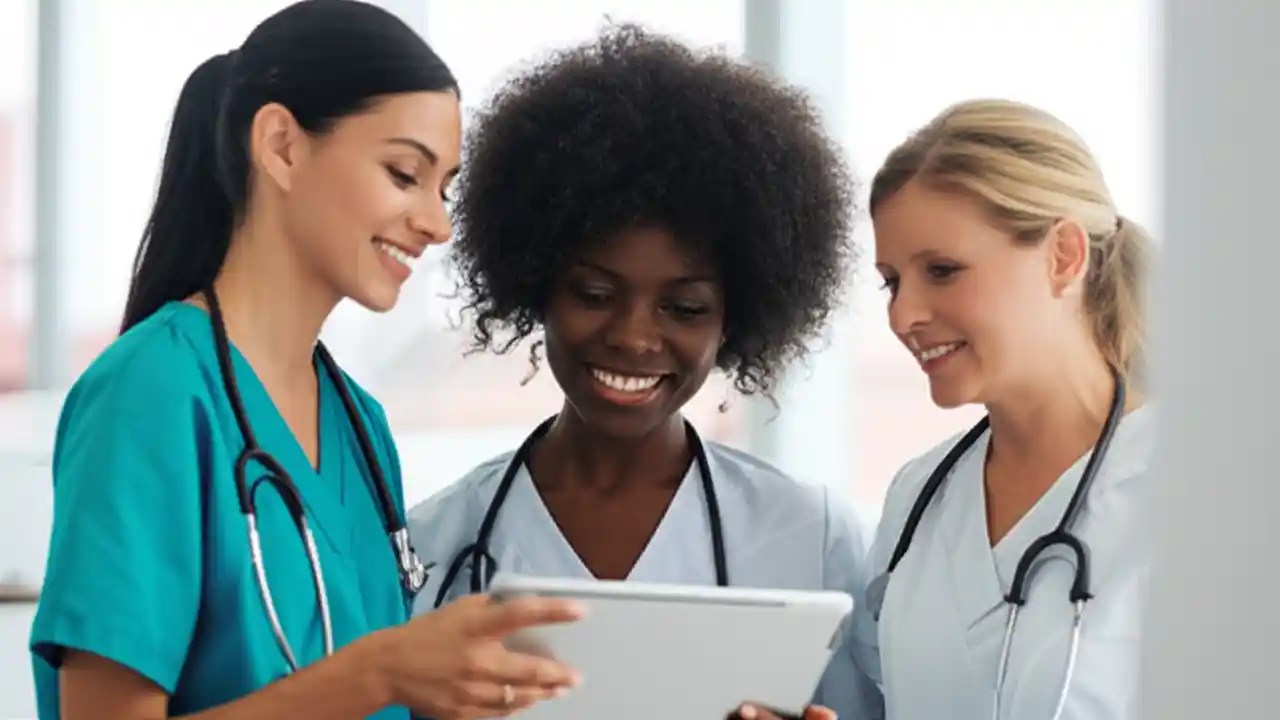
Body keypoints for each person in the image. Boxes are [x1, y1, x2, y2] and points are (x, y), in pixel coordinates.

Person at [26, 2, 584, 719]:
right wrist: (380, 671)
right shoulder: (153, 394)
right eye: (403, 172)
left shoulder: (360, 424)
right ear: (283, 145)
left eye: (444, 187)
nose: (438, 223)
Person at [403, 25, 881, 720]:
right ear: (536, 286)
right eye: (593, 295)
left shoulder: (810, 534)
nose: (633, 337)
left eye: (683, 307)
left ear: (734, 318)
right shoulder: (436, 541)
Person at [753, 98, 1153, 720]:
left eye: (942, 271)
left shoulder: (1199, 491)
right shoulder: (921, 496)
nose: (903, 315)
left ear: (1064, 256)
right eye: (892, 281)